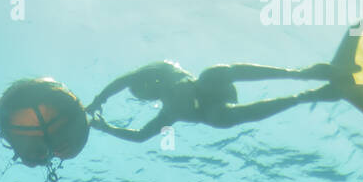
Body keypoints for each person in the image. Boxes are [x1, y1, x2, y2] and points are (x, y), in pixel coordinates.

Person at [85, 60, 347, 141]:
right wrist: (106, 127)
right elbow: (141, 136)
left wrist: (99, 100)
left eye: (140, 87)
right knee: (218, 119)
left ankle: (300, 74)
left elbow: (125, 79)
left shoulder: (165, 71)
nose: (143, 90)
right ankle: (307, 96)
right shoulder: (168, 113)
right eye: (141, 94)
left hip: (214, 86)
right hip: (216, 110)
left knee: (212, 73)